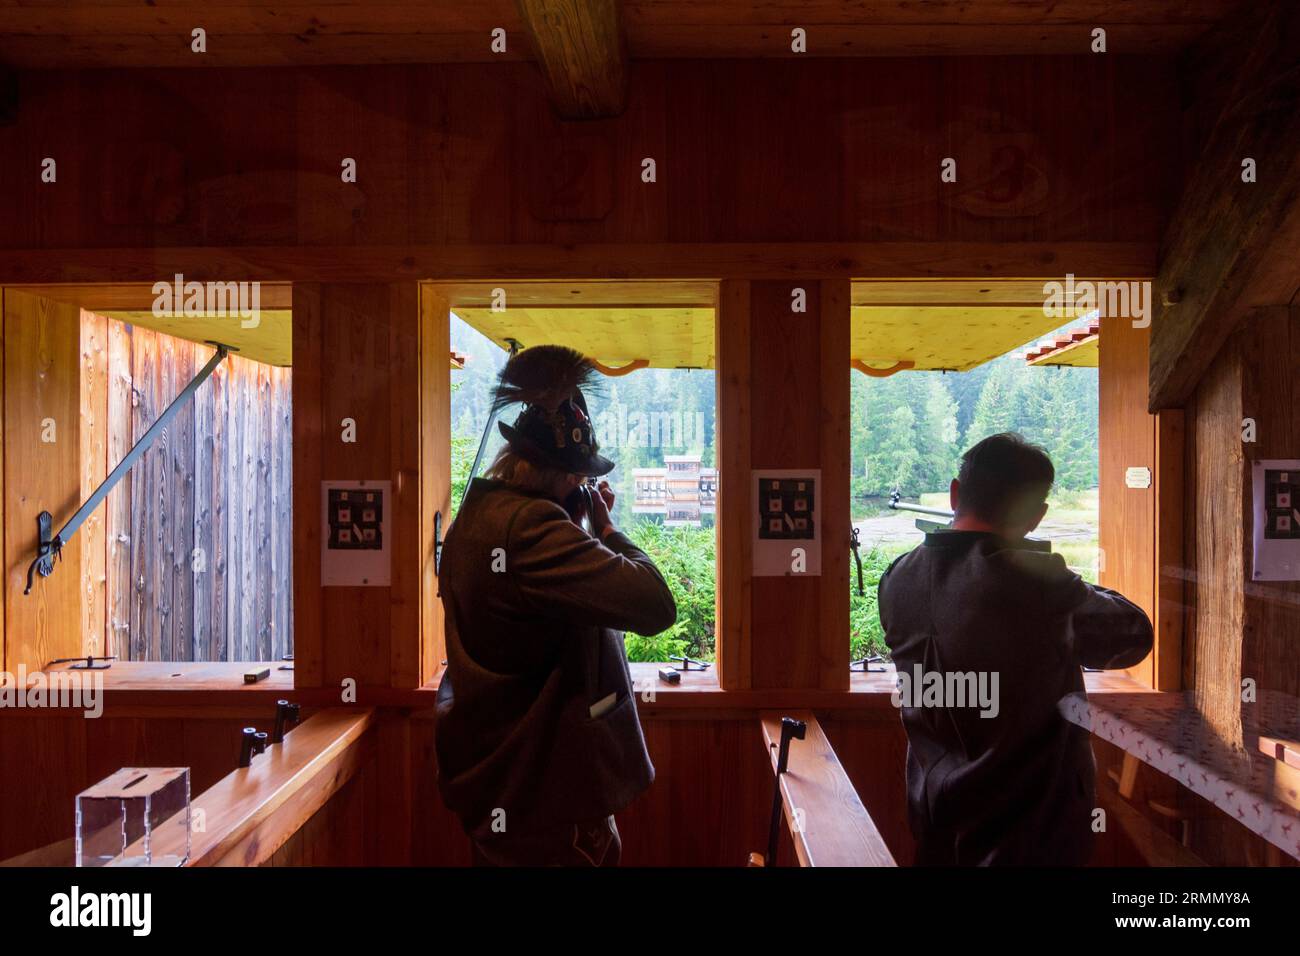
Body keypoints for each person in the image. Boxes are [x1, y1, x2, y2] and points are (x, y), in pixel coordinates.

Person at [435, 345, 677, 866]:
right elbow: (655, 604)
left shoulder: (476, 520)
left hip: (504, 787)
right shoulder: (531, 529)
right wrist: (609, 531)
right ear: (558, 476)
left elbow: (545, 607)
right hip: (547, 795)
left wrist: (579, 524)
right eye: (576, 477)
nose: (580, 485)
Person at [878, 432, 1152, 866]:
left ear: (954, 493)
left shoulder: (897, 578)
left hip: (935, 819)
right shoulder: (1037, 584)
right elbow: (1134, 635)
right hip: (1030, 835)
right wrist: (1056, 573)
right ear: (1036, 516)